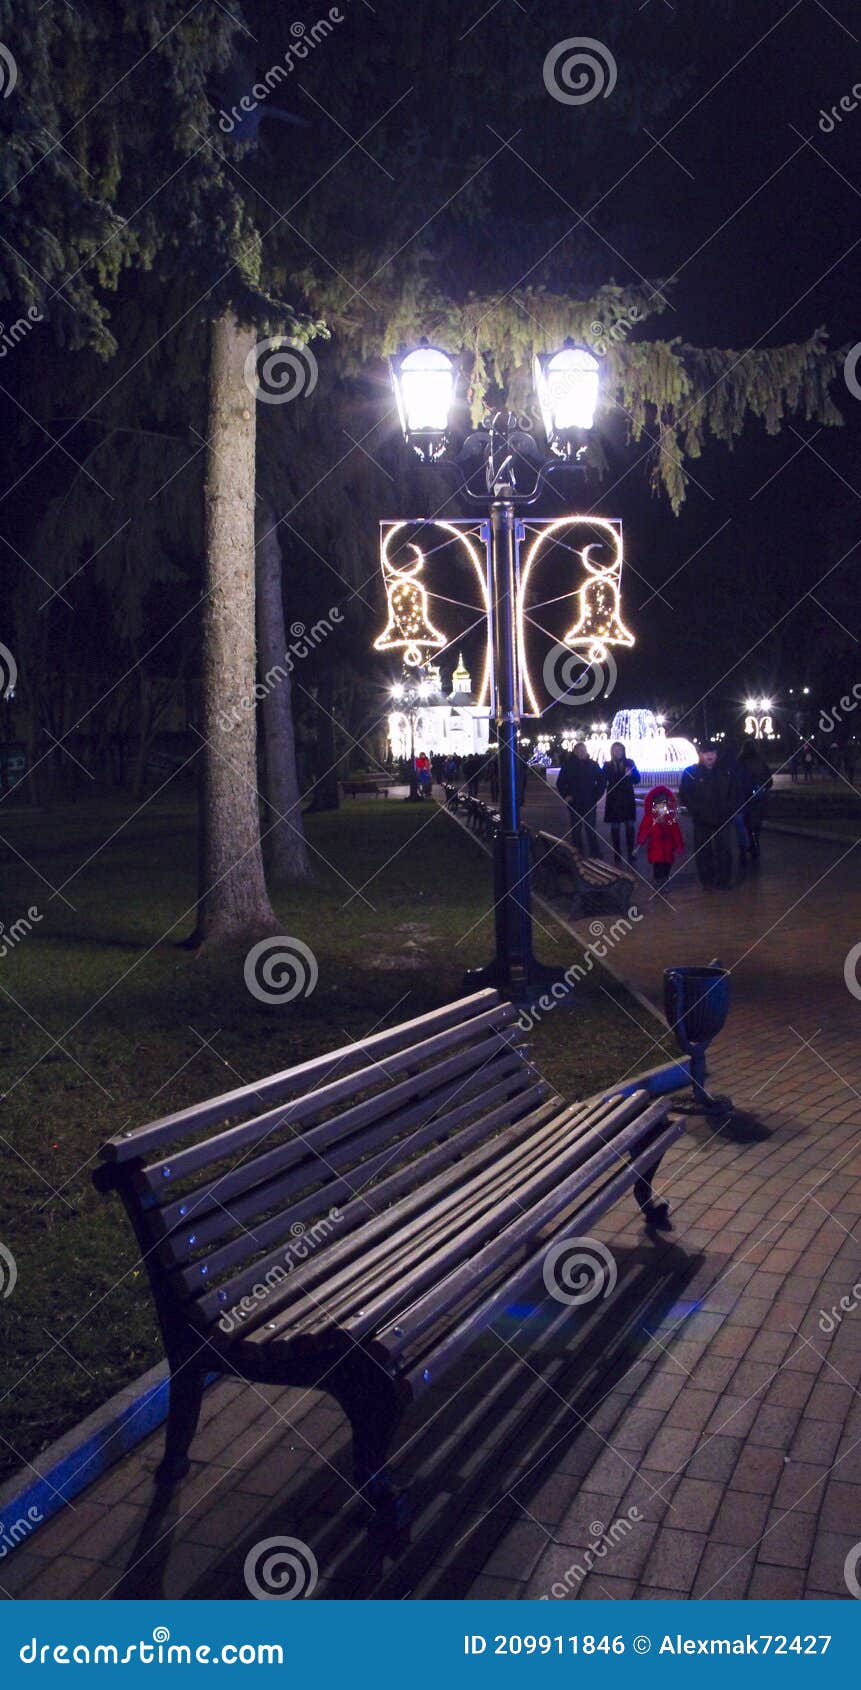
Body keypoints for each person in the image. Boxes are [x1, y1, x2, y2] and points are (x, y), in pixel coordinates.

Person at [679, 743, 743, 889]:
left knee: (724, 850)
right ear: (700, 754)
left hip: (723, 818)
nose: (710, 756)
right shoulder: (690, 772)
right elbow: (685, 795)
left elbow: (736, 792)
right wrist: (696, 811)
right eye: (706, 753)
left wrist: (730, 810)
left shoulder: (726, 771)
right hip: (702, 819)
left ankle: (724, 881)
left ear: (716, 754)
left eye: (712, 752)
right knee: (703, 851)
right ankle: (707, 881)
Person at [556, 741, 606, 857]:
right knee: (576, 830)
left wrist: (596, 795)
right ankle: (578, 854)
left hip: (589, 801)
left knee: (590, 830)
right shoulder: (568, 765)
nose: (581, 753)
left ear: (586, 751)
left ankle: (595, 854)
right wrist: (566, 795)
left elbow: (602, 781)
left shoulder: (592, 764)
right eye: (579, 751)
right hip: (574, 802)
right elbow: (561, 782)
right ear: (575, 752)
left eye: (583, 750)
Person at [637, 784, 684, 885]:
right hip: (656, 848)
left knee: (667, 866)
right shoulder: (650, 818)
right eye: (659, 805)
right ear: (654, 806)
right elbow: (644, 829)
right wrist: (642, 838)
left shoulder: (670, 819)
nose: (662, 808)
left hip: (668, 849)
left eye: (664, 805)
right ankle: (658, 881)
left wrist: (679, 845)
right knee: (658, 866)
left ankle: (664, 880)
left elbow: (676, 832)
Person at [602, 740, 640, 863]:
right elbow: (604, 780)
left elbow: (637, 779)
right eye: (616, 750)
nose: (618, 752)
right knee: (615, 828)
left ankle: (631, 853)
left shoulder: (630, 762)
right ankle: (617, 853)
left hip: (627, 798)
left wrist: (631, 775)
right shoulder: (607, 765)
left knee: (630, 827)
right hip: (613, 800)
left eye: (620, 749)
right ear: (612, 751)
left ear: (624, 751)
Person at [738, 742, 773, 861]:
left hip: (744, 798)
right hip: (758, 798)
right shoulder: (760, 762)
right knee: (756, 822)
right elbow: (769, 781)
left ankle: (746, 847)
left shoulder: (740, 763)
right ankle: (754, 843)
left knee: (746, 823)